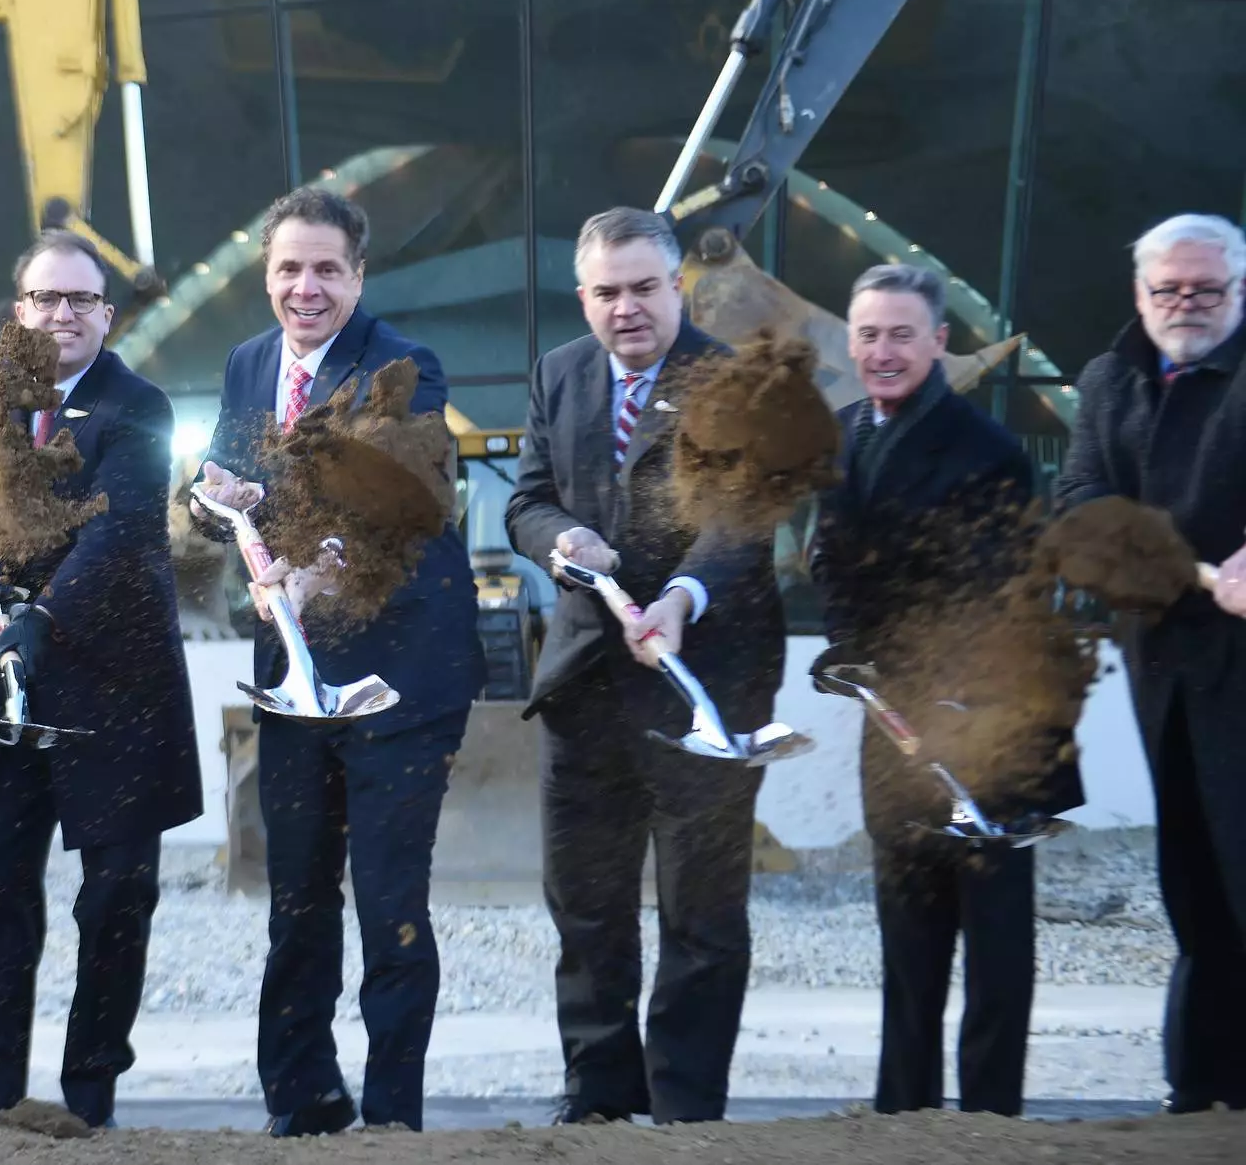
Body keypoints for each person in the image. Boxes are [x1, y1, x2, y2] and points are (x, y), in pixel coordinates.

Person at [196, 185, 482, 1135]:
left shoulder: (407, 366)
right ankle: (303, 1103)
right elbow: (233, 485)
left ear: (359, 275)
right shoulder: (246, 364)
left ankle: (394, 1119)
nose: (306, 287)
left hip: (398, 677)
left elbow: (395, 509)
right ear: (266, 274)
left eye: (326, 269)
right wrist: (213, 501)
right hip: (294, 679)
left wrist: (316, 572)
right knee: (298, 896)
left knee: (390, 899)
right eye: (289, 268)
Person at [504, 205, 781, 1126]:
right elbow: (529, 501)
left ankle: (687, 1107)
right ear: (583, 298)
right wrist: (558, 539)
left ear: (677, 288)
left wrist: (681, 598)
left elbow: (740, 521)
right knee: (585, 903)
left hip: (705, 679)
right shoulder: (559, 374)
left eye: (644, 288)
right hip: (586, 683)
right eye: (607, 291)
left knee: (700, 913)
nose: (627, 308)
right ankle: (596, 1099)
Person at [809, 263, 1080, 1116]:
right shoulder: (843, 435)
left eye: (900, 334)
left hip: (986, 727)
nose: (882, 351)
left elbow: (1006, 597)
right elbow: (837, 569)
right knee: (908, 939)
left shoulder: (989, 451)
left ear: (939, 341)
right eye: (867, 334)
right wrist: (846, 653)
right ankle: (905, 1119)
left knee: (994, 941)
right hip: (892, 728)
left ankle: (992, 1122)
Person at [0, 230, 201, 1129]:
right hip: (16, 687)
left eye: (80, 300)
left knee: (117, 897)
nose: (62, 315)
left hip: (117, 688)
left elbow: (121, 528)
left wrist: (40, 613)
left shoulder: (140, 405)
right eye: (45, 298)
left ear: (105, 312)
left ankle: (91, 1095)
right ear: (18, 308)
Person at [1056, 213, 1246, 1114]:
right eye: (1169, 289)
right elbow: (1082, 501)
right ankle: (1201, 1081)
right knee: (1192, 878)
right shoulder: (1109, 380)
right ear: (1140, 294)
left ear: (1238, 291)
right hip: (1164, 667)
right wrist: (1173, 559)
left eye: (1207, 289)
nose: (1187, 305)